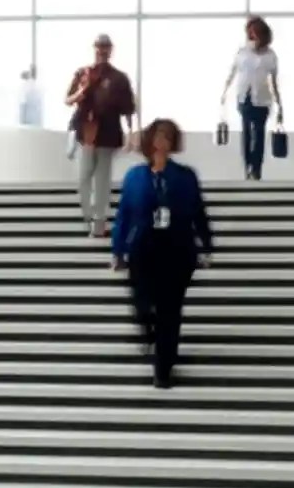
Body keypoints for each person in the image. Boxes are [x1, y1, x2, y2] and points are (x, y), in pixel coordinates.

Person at [111, 119, 213, 389]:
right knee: (143, 305)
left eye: (167, 137)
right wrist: (118, 249)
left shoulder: (185, 176)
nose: (162, 142)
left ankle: (163, 368)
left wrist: (206, 245)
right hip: (144, 249)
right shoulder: (135, 176)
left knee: (170, 310)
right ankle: (148, 333)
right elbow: (124, 215)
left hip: (177, 250)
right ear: (148, 141)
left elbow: (198, 211)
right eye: (158, 136)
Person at [66, 34, 137, 237]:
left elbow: (128, 108)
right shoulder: (82, 73)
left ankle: (98, 221)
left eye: (106, 47)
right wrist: (81, 92)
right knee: (83, 177)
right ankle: (88, 217)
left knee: (102, 179)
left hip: (108, 132)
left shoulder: (119, 78)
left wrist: (131, 134)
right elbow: (67, 99)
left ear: (110, 50)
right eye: (99, 47)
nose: (102, 51)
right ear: (94, 48)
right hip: (85, 132)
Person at [220, 16, 282, 180]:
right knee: (247, 132)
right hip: (244, 97)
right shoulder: (243, 52)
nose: (252, 34)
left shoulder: (270, 55)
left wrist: (279, 103)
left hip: (262, 98)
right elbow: (233, 72)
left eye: (255, 31)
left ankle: (257, 168)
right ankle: (247, 165)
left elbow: (274, 80)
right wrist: (225, 92)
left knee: (259, 133)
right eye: (250, 31)